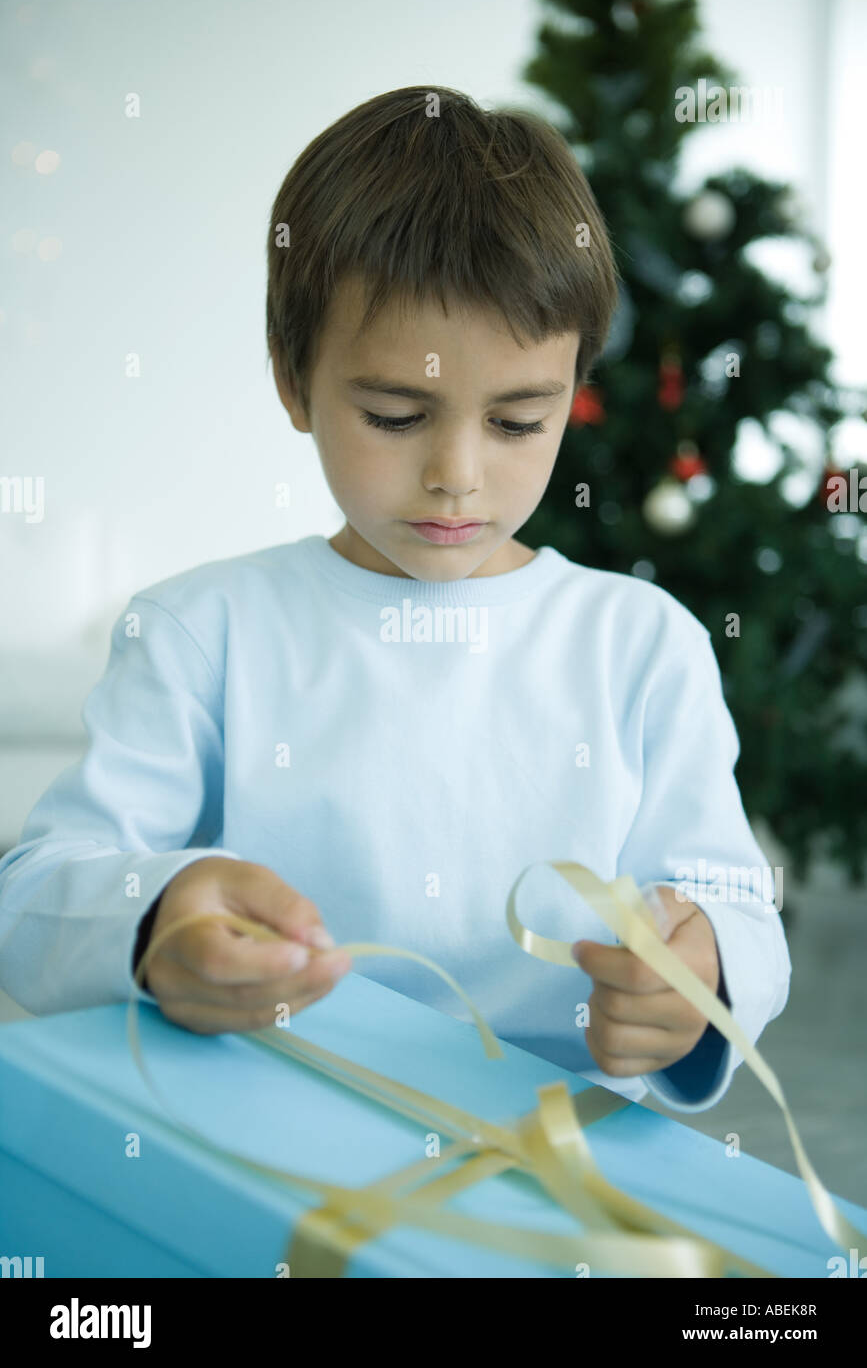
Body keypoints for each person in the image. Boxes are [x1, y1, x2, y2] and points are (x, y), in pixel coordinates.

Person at [0, 85, 791, 1112]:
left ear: (575, 390)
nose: (456, 474)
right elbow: (33, 891)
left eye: (516, 422)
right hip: (263, 1152)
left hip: (559, 1192)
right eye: (394, 413)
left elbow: (731, 900)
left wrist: (708, 976)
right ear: (295, 379)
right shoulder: (204, 633)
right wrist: (152, 923)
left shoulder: (641, 646)